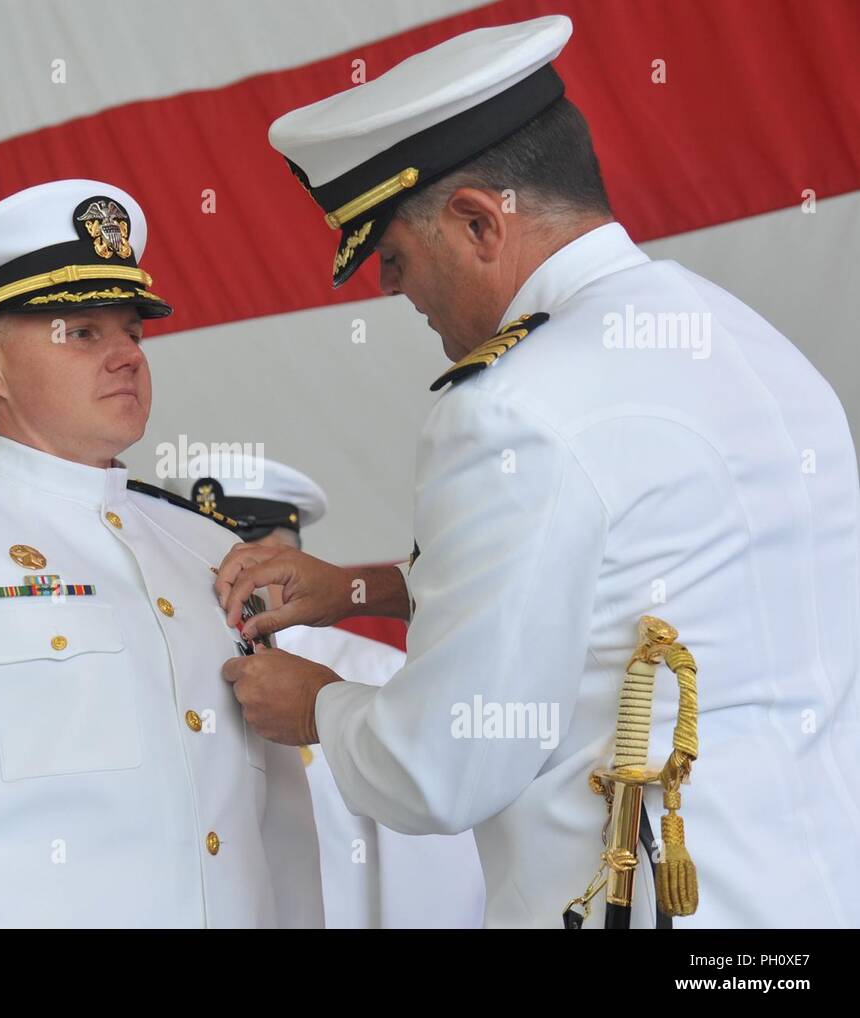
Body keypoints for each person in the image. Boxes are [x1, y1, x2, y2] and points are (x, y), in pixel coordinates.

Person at [217, 14, 860, 927]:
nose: (404, 301)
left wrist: (320, 705)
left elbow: (444, 767)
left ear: (479, 222)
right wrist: (359, 588)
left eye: (395, 264)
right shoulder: (745, 344)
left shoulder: (509, 408)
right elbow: (622, 582)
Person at [0, 178, 322, 928]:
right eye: (82, 333)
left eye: (133, 334)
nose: (126, 358)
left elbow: (280, 825)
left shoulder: (211, 550)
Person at [190, 454, 485, 928]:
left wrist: (319, 709)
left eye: (247, 561)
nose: (225, 578)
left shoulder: (382, 673)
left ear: (288, 559)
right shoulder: (173, 666)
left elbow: (436, 860)